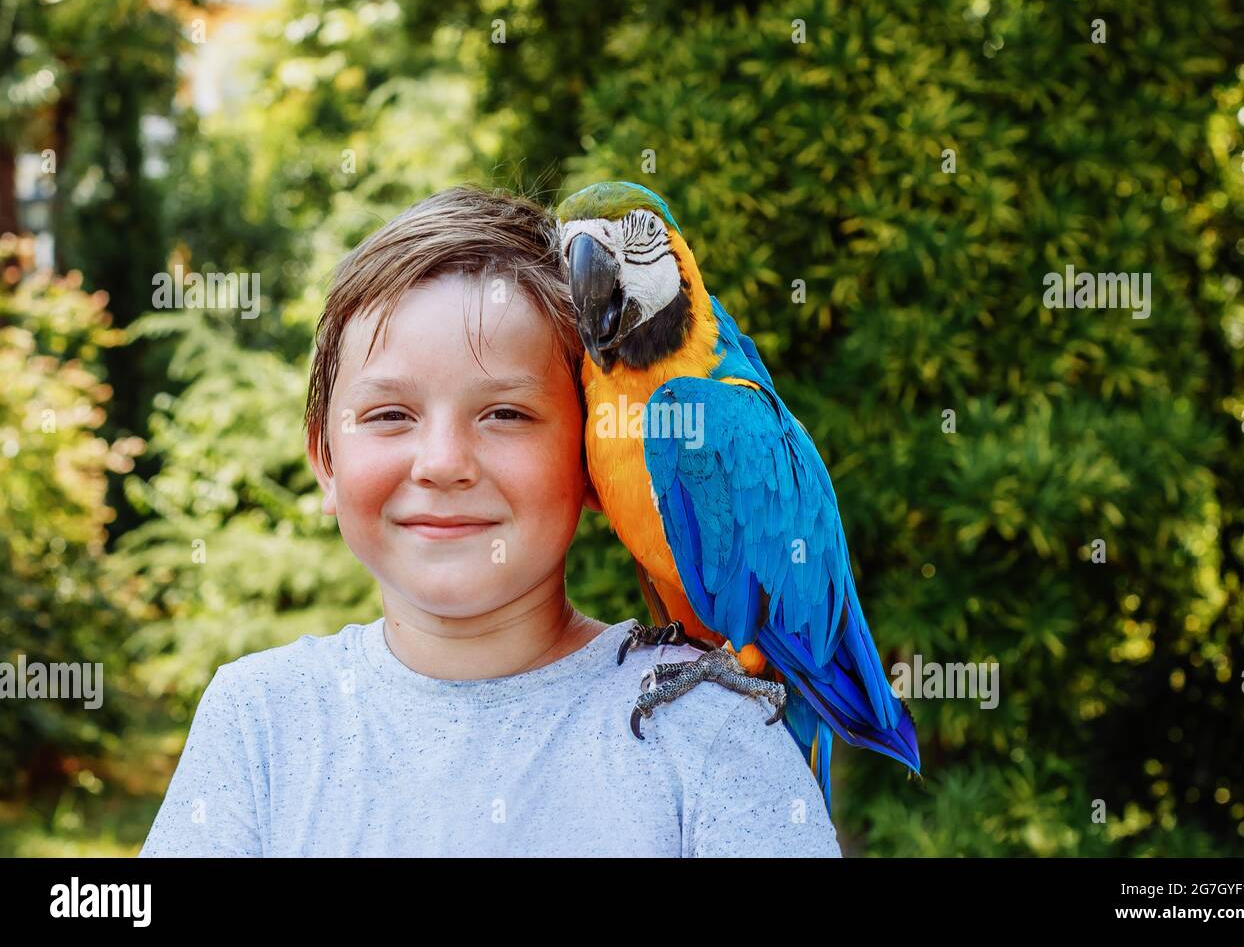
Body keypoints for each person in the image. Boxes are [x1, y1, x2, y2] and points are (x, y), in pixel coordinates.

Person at [138, 185, 842, 857]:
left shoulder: (710, 728)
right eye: (390, 415)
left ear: (589, 457)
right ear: (325, 458)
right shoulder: (257, 720)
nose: (443, 464)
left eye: (505, 413)